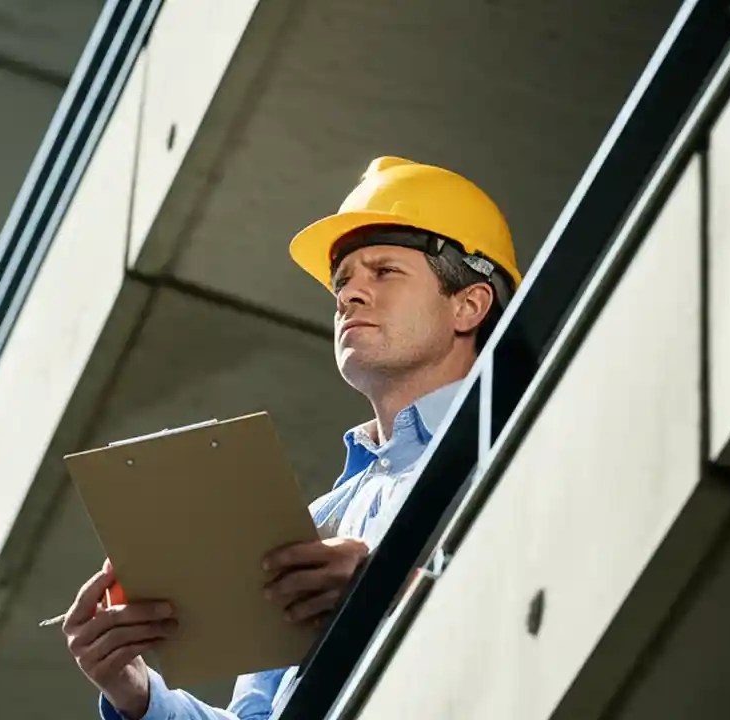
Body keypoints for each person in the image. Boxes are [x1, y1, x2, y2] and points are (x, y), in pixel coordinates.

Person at [60, 156, 523, 720]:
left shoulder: (516, 438)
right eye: (342, 281)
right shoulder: (322, 520)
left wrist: (383, 590)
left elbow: (540, 595)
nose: (349, 296)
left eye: (383, 272)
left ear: (468, 305)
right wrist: (137, 694)